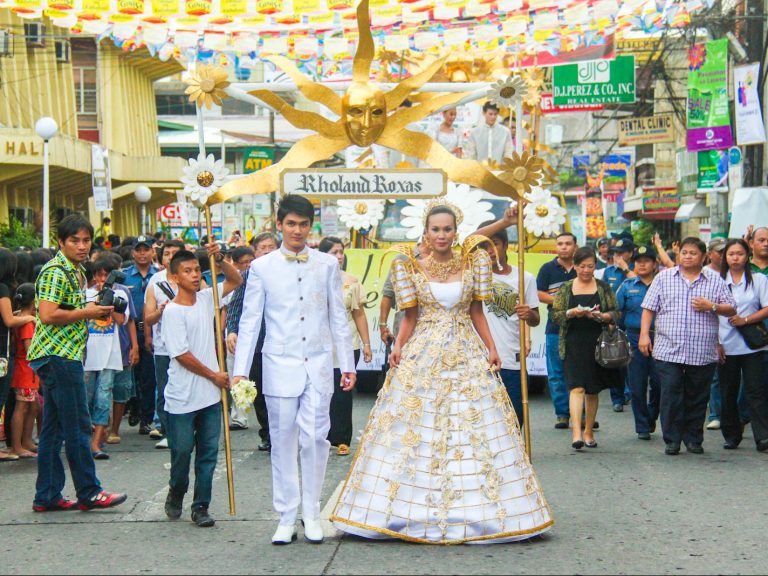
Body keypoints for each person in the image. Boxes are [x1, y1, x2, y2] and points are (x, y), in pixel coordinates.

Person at [331, 202, 552, 543]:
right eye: (436, 229)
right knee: (415, 423)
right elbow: (410, 317)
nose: (442, 235)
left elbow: (477, 311)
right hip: (423, 351)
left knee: (472, 424)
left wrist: (491, 346)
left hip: (466, 350)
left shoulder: (473, 262)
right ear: (426, 232)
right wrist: (400, 346)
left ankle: (481, 510)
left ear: (455, 231)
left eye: (448, 229)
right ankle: (407, 506)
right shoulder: (409, 266)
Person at [231, 195, 356, 545]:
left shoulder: (327, 265)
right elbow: (251, 320)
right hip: (278, 364)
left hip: (318, 364)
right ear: (279, 223)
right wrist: (240, 370)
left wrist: (346, 363)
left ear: (311, 226)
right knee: (282, 440)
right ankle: (286, 516)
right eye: (291, 224)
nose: (297, 230)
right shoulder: (262, 267)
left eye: (303, 224)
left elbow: (337, 317)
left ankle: (312, 512)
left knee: (317, 439)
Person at [28, 214, 127, 512]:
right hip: (59, 357)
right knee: (78, 428)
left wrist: (90, 307)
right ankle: (89, 491)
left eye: (86, 240)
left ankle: (47, 495)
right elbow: (47, 314)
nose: (82, 246)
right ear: (61, 242)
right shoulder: (57, 271)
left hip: (62, 355)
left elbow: (65, 308)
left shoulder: (76, 270)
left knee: (53, 430)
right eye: (75, 241)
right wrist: (90, 313)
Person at [161, 245, 242, 527]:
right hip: (182, 397)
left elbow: (236, 280)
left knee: (208, 454)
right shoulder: (171, 312)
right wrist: (214, 374)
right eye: (188, 271)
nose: (195, 275)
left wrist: (218, 260)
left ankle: (201, 507)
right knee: (182, 452)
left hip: (210, 396)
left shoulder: (208, 298)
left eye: (197, 270)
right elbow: (182, 355)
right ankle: (176, 490)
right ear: (174, 278)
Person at [639, 237, 737, 456]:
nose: (688, 256)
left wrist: (711, 306)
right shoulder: (664, 278)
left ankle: (693, 438)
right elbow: (648, 308)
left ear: (703, 257)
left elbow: (731, 309)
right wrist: (644, 335)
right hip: (668, 348)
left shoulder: (714, 280)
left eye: (693, 253)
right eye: (684, 252)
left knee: (697, 395)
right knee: (671, 393)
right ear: (678, 254)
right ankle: (672, 439)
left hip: (701, 350)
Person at [475, 209, 541, 426]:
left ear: (505, 245)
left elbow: (535, 319)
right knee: (482, 421)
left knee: (514, 419)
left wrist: (529, 314)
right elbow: (469, 241)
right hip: (477, 360)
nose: (489, 250)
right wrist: (504, 221)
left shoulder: (525, 278)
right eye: (484, 246)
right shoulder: (473, 275)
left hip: (512, 360)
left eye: (494, 243)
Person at [551, 247, 620, 451]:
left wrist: (602, 316)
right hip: (573, 341)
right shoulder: (566, 288)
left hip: (597, 341)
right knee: (576, 387)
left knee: (592, 389)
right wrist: (571, 312)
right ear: (575, 266)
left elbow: (615, 312)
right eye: (582, 266)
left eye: (590, 266)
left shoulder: (603, 287)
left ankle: (589, 431)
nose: (586, 270)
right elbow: (555, 315)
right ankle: (576, 433)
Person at [318, 237, 373, 456]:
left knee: (342, 392)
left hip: (348, 343)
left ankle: (342, 439)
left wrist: (367, 343)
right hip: (320, 345)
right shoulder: (311, 281)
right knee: (322, 391)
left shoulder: (351, 281)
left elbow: (359, 314)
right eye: (333, 252)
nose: (339, 256)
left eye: (341, 252)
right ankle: (322, 436)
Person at [226, 234, 279, 451]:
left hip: (282, 344)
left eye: (271, 247)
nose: (267, 251)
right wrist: (231, 331)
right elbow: (236, 306)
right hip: (257, 343)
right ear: (255, 252)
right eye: (263, 248)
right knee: (260, 391)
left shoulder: (288, 274)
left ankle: (283, 433)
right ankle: (267, 433)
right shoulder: (248, 276)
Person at [717, 238, 768, 452]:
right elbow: (709, 314)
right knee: (727, 391)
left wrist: (746, 320)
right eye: (731, 254)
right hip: (725, 345)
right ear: (725, 257)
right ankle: (731, 435)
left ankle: (762, 437)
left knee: (756, 392)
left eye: (739, 253)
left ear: (747, 256)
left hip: (753, 346)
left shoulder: (758, 280)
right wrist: (715, 343)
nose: (735, 257)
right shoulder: (716, 280)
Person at [83, 258, 130, 459]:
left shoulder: (119, 294)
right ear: (94, 276)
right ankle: (85, 440)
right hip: (86, 355)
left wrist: (110, 301)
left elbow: (121, 321)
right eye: (99, 275)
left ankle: (96, 443)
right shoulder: (86, 294)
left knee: (103, 399)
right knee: (86, 398)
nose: (103, 279)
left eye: (106, 275)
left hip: (110, 356)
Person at [143, 239, 185, 449]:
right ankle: (168, 431)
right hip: (163, 346)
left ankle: (188, 431)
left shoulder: (192, 278)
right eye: (166, 253)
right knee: (165, 389)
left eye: (175, 253)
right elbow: (147, 318)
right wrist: (160, 312)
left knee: (187, 388)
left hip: (189, 345)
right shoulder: (155, 281)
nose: (170, 257)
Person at [616, 246, 661, 440]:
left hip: (661, 337)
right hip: (634, 338)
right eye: (638, 260)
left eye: (646, 260)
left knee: (660, 384)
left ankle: (652, 416)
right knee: (637, 384)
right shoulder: (627, 286)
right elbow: (616, 311)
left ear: (654, 264)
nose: (641, 264)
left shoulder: (663, 284)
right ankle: (642, 425)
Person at [537, 232, 578, 429]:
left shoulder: (582, 268)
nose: (563, 247)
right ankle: (562, 414)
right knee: (556, 373)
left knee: (580, 371)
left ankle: (583, 414)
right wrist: (562, 302)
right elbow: (539, 293)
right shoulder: (547, 269)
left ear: (575, 246)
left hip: (580, 327)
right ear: (556, 247)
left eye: (567, 244)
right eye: (560, 244)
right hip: (554, 327)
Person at [0, 248, 35, 462]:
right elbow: (9, 321)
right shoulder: (3, 288)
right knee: (1, 399)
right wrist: (31, 319)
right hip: (2, 352)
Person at [123, 235, 158, 436]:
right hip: (129, 329)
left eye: (146, 250)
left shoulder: (159, 275)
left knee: (148, 376)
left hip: (151, 328)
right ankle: (133, 405)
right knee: (130, 373)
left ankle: (146, 418)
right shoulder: (125, 275)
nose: (142, 254)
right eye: (139, 250)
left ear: (153, 252)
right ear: (133, 252)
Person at [223, 245, 255, 430]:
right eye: (245, 262)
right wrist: (230, 332)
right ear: (235, 264)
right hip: (241, 335)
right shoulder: (237, 281)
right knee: (238, 373)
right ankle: (239, 415)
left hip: (265, 337)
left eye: (251, 260)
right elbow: (231, 308)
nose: (249, 265)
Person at [602, 237, 635, 412]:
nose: (618, 256)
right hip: (614, 320)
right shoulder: (608, 272)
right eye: (615, 253)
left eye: (622, 253)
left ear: (630, 253)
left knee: (631, 360)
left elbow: (642, 284)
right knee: (615, 359)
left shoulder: (636, 268)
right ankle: (617, 396)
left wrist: (626, 268)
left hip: (632, 319)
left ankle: (631, 392)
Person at [9, 283, 38, 458]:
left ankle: (25, 440)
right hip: (25, 371)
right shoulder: (27, 323)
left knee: (32, 406)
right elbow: (29, 350)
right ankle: (17, 445)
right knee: (22, 407)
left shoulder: (21, 318)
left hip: (27, 372)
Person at [704, 237, 727, 430]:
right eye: (719, 251)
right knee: (715, 376)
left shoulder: (734, 273)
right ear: (709, 254)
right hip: (712, 330)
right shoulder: (703, 274)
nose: (723, 255)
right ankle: (715, 413)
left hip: (736, 329)